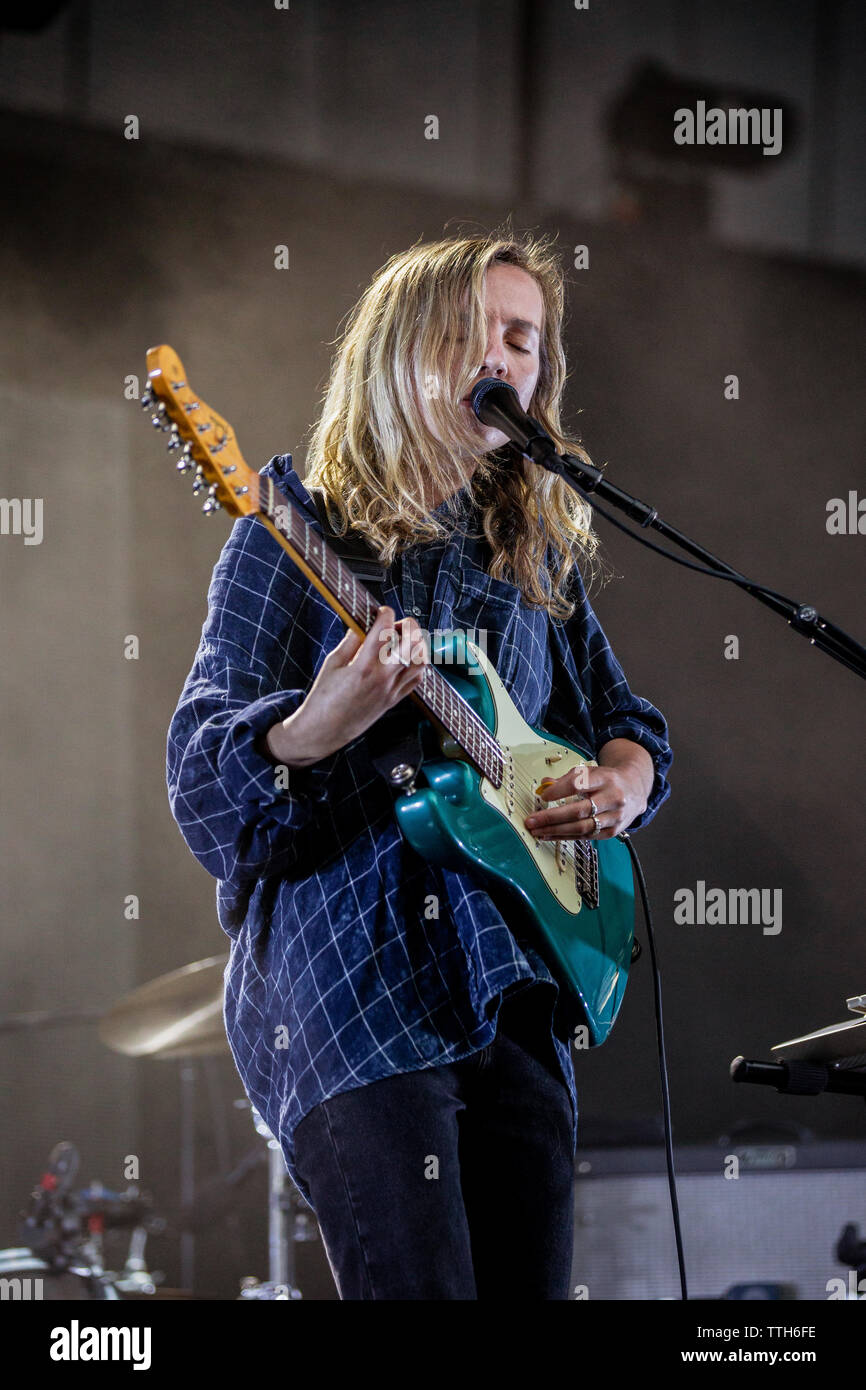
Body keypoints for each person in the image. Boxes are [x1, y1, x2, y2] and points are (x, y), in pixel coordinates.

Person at [166, 228, 673, 1300]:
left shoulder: (531, 559)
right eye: (469, 331)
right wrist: (317, 722)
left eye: (522, 340)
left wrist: (622, 781)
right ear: (400, 351)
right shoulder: (291, 525)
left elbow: (625, 719)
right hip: (352, 988)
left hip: (514, 990)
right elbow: (198, 782)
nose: (501, 357)